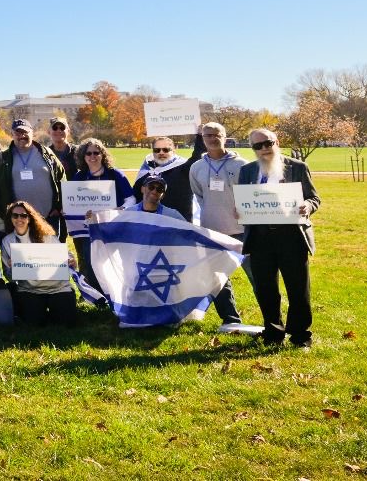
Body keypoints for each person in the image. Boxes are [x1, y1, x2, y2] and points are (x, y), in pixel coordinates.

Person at [238, 128, 322, 347]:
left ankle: (300, 335)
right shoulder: (247, 171)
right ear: (253, 149)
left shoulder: (298, 167)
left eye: (268, 143)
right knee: (266, 289)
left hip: (292, 236)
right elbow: (242, 201)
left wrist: (307, 206)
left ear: (277, 141)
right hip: (259, 238)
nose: (264, 149)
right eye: (258, 146)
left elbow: (314, 198)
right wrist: (239, 210)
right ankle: (273, 333)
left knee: (298, 288)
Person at [188, 123, 245, 325]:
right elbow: (199, 195)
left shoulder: (242, 165)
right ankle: (230, 319)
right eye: (207, 135)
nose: (212, 139)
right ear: (202, 138)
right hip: (212, 231)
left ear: (225, 136)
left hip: (242, 231)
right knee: (219, 279)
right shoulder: (197, 168)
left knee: (259, 277)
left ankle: (271, 319)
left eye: (216, 135)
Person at [66, 138, 133, 300]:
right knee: (90, 262)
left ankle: (117, 294)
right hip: (89, 228)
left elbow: (131, 198)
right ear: (83, 156)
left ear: (102, 154)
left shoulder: (115, 174)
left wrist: (120, 210)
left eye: (96, 152)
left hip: (112, 226)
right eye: (88, 153)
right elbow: (73, 203)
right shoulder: (80, 176)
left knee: (112, 262)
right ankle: (95, 295)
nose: (92, 156)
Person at [1, 200, 77, 327]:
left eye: (24, 215)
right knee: (33, 323)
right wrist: (13, 269)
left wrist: (71, 261)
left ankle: (66, 299)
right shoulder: (7, 241)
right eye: (15, 215)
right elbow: (8, 276)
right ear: (11, 218)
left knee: (66, 324)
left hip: (57, 288)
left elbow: (65, 254)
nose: (19, 218)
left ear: (30, 218)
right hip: (30, 289)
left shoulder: (46, 236)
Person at [0, 120, 64, 234]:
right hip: (17, 221)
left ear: (32, 133)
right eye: (17, 133)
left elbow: (61, 179)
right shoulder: (2, 158)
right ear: (12, 134)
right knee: (21, 252)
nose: (21, 136)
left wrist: (58, 208)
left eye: (25, 132)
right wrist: (6, 214)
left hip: (48, 218)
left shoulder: (48, 154)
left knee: (49, 252)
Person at [132, 135, 196, 221]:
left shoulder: (184, 167)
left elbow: (197, 156)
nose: (161, 153)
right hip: (149, 222)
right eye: (157, 150)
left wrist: (200, 136)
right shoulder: (146, 169)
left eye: (165, 150)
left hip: (177, 222)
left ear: (173, 151)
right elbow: (135, 195)